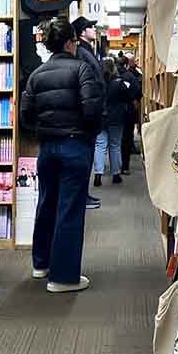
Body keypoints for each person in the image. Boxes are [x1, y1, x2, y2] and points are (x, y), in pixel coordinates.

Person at [20, 18, 103, 293]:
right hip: (75, 145)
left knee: (46, 204)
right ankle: (63, 277)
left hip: (47, 147)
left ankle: (40, 264)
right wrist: (86, 135)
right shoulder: (82, 69)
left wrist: (43, 130)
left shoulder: (37, 74)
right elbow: (92, 111)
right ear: (70, 42)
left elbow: (25, 115)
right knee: (69, 209)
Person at [71, 16, 104, 210]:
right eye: (91, 27)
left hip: (91, 112)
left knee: (87, 157)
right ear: (82, 32)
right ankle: (82, 196)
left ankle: (84, 194)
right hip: (87, 116)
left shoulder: (86, 50)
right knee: (84, 158)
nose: (94, 29)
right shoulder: (82, 52)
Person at [94, 57, 133, 186]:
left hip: (101, 118)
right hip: (116, 119)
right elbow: (128, 97)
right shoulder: (119, 83)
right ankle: (116, 174)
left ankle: (98, 175)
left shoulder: (97, 83)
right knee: (115, 145)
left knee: (100, 145)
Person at [116, 55, 142, 174]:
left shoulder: (111, 76)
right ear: (126, 65)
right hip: (128, 112)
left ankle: (114, 168)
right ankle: (125, 167)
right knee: (126, 140)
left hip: (113, 112)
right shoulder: (130, 76)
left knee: (113, 141)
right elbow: (138, 92)